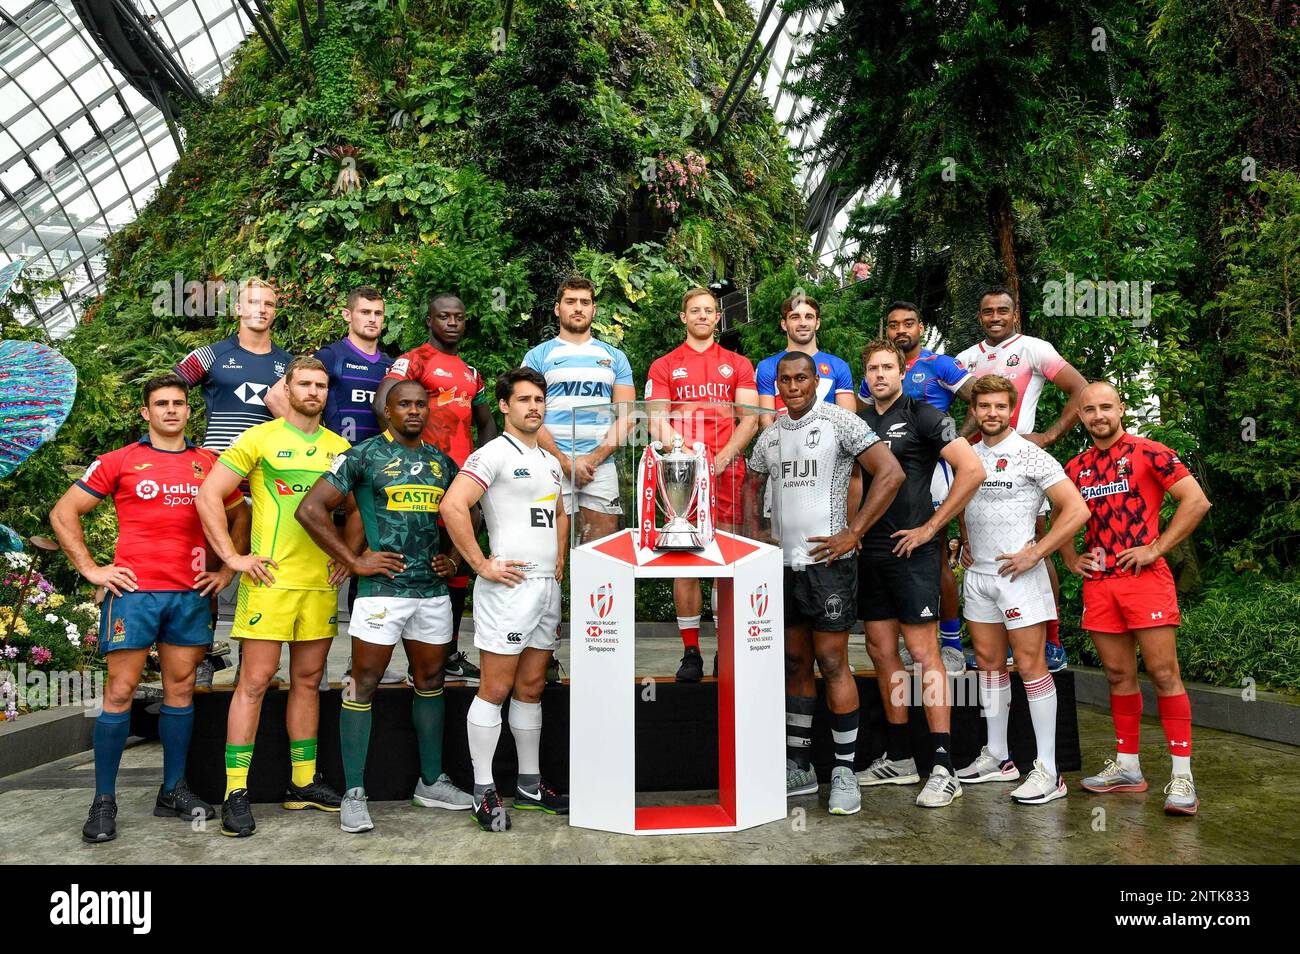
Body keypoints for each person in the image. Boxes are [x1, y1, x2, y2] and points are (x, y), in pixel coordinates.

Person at [50, 373, 248, 843]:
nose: (172, 410)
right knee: (119, 692)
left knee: (180, 688)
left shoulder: (209, 464)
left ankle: (172, 791)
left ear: (188, 410)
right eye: (162, 403)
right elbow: (64, 512)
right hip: (134, 595)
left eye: (179, 403)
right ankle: (103, 801)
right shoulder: (119, 461)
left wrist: (227, 570)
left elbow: (242, 513)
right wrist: (94, 570)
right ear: (146, 412)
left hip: (191, 594)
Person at [295, 381, 474, 832]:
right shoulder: (363, 455)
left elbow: (469, 511)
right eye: (404, 405)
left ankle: (430, 782)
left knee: (431, 679)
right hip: (382, 593)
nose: (414, 411)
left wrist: (453, 557)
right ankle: (355, 791)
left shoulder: (440, 461)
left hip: (431, 592)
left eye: (420, 404)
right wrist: (353, 560)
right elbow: (311, 509)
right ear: (387, 411)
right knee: (363, 682)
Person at [196, 356, 351, 837]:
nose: (312, 392)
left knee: (309, 681)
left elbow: (354, 509)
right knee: (255, 682)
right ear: (286, 389)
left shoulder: (340, 447)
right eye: (303, 384)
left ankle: (302, 783)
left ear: (328, 393)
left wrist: (350, 555)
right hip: (269, 581)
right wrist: (231, 559)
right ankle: (235, 792)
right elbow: (209, 496)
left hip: (319, 584)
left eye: (320, 385)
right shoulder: (259, 438)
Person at [747, 352, 903, 816]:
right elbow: (753, 485)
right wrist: (757, 532)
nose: (793, 385)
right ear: (777, 385)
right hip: (783, 566)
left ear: (816, 380)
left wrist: (853, 532)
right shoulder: (770, 434)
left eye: (802, 377)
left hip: (828, 564)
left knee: (832, 661)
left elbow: (891, 473)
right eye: (785, 379)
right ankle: (800, 766)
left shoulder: (841, 421)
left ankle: (843, 771)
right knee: (795, 661)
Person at [1059, 382, 1211, 815]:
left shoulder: (1150, 452)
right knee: (1117, 675)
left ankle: (1182, 779)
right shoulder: (1076, 466)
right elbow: (1058, 514)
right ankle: (1128, 768)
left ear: (1121, 408)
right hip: (1100, 582)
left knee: (1164, 674)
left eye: (1106, 406)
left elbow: (1196, 501)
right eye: (1088, 409)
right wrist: (1071, 557)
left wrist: (1156, 548)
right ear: (1081, 416)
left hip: (1144, 578)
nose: (1098, 415)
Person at [852, 339, 985, 807]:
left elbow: (971, 470)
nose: (880, 375)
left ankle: (943, 767)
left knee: (923, 652)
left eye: (888, 367)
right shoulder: (859, 422)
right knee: (881, 651)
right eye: (873, 368)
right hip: (870, 552)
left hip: (914, 551)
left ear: (903, 371)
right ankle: (900, 756)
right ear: (864, 376)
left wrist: (932, 527)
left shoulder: (925, 415)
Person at [439, 368, 569, 832]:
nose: (534, 407)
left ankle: (530, 786)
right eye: (524, 400)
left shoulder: (550, 460)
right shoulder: (490, 454)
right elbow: (453, 506)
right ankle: (483, 789)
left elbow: (557, 509)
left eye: (539, 399)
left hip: (545, 589)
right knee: (494, 689)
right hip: (507, 587)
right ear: (504, 406)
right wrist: (480, 564)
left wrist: (559, 561)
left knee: (532, 687)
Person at [955, 375, 1090, 804]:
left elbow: (1077, 509)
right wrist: (965, 542)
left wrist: (1037, 553)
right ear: (973, 411)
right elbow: (959, 503)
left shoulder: (1031, 454)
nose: (991, 413)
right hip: (980, 579)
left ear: (1011, 409)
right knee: (990, 665)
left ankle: (1049, 772)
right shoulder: (967, 456)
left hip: (1021, 576)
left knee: (1031, 667)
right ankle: (998, 757)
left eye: (999, 406)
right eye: (983, 407)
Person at [267, 285, 402, 684]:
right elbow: (281, 393)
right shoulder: (330, 357)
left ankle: (360, 663)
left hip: (373, 475)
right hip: (328, 471)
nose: (372, 319)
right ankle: (296, 664)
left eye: (378, 313)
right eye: (365, 312)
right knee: (314, 557)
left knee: (365, 565)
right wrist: (304, 437)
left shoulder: (392, 365)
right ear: (348, 316)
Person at [956, 285, 1090, 673]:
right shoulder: (965, 358)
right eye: (987, 311)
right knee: (980, 549)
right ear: (979, 317)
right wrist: (957, 441)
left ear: (1014, 314)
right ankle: (992, 641)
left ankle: (1052, 642)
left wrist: (1048, 436)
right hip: (980, 461)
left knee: (1035, 542)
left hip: (1021, 460)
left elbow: (1080, 389)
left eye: (1002, 310)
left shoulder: (1034, 348)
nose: (995, 317)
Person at [174, 277, 293, 687]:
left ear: (276, 311)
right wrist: (182, 447)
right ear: (238, 309)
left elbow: (299, 422)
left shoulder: (287, 364)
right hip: (217, 478)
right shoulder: (212, 354)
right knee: (207, 567)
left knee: (263, 570)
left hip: (265, 479)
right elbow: (170, 390)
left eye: (269, 304)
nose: (261, 309)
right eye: (253, 303)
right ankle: (203, 657)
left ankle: (252, 663)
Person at [374, 293, 499, 684]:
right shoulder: (414, 360)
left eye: (459, 317)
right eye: (443, 316)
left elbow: (487, 422)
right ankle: (382, 658)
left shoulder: (471, 372)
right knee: (410, 561)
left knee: (456, 560)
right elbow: (383, 404)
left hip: (460, 481)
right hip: (418, 474)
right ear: (429, 321)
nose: (452, 323)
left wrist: (485, 461)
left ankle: (446, 653)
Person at [645, 286, 760, 682]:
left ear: (717, 318)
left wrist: (724, 456)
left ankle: (725, 647)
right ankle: (691, 651)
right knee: (687, 560)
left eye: (709, 311)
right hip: (683, 474)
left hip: (728, 472)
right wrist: (686, 457)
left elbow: (750, 417)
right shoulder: (664, 365)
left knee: (726, 561)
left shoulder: (738, 363)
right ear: (683, 317)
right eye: (695, 310)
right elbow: (656, 419)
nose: (702, 316)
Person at [858, 301, 976, 673]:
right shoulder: (865, 408)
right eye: (893, 325)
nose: (900, 329)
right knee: (883, 641)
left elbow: (978, 401)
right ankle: (910, 638)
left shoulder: (938, 367)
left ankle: (951, 640)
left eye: (908, 322)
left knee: (936, 555)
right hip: (882, 513)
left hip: (934, 471)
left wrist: (960, 439)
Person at [522, 276, 636, 544]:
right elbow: (528, 416)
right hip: (550, 464)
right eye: (570, 301)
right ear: (557, 308)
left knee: (601, 558)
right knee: (548, 557)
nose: (578, 308)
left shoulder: (615, 358)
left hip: (600, 468)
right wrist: (564, 461)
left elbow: (627, 416)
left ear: (593, 310)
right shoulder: (537, 357)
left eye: (585, 302)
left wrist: (593, 459)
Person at [754, 294, 856, 429]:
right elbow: (765, 420)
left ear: (817, 323)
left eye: (809, 317)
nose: (803, 323)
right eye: (795, 317)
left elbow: (847, 421)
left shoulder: (838, 366)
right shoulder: (766, 367)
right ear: (784, 324)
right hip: (784, 445)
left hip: (829, 446)